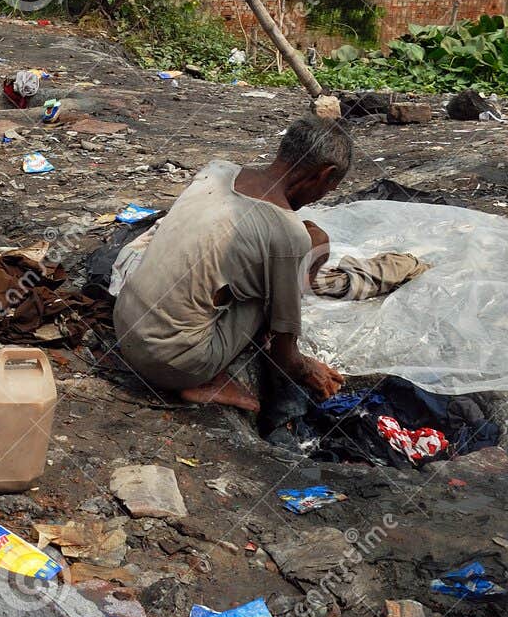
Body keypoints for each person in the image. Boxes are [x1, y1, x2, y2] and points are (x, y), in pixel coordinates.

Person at [113, 117, 351, 412]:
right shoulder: (288, 234)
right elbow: (284, 357)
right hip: (171, 363)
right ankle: (209, 380)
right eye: (327, 190)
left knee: (313, 238)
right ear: (323, 175)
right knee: (302, 259)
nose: (318, 198)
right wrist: (308, 368)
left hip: (124, 325)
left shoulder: (217, 171)